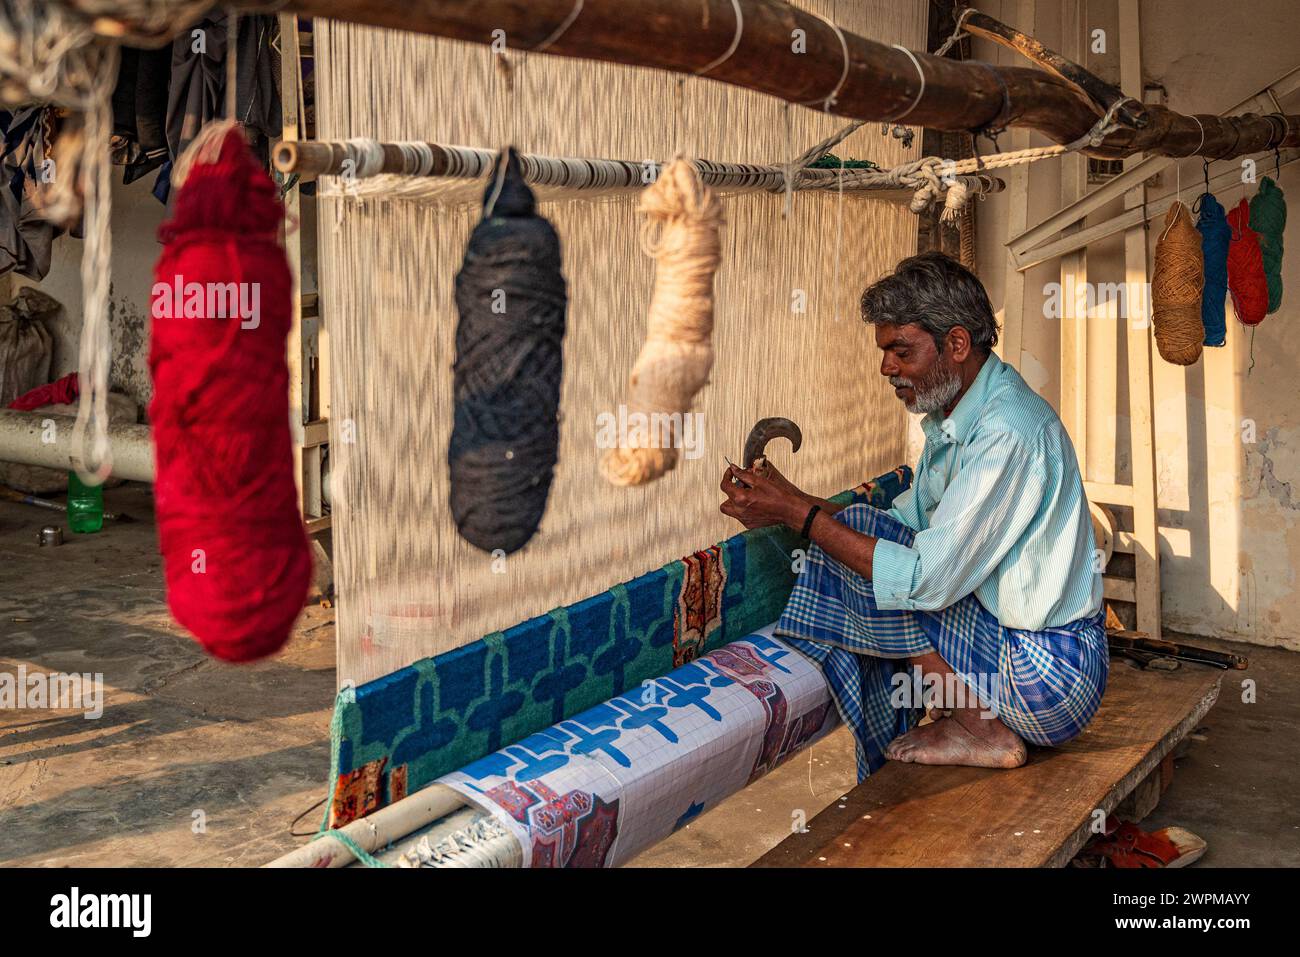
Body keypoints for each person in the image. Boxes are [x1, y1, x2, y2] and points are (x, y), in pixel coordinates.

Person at [719, 252, 1105, 780]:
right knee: (855, 541)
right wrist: (788, 500)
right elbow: (902, 525)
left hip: (1049, 676)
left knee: (863, 565)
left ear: (956, 344)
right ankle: (968, 717)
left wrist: (797, 513)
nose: (886, 368)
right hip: (1023, 655)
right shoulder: (962, 417)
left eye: (900, 351)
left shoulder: (1006, 433)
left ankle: (981, 728)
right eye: (884, 352)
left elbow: (923, 580)